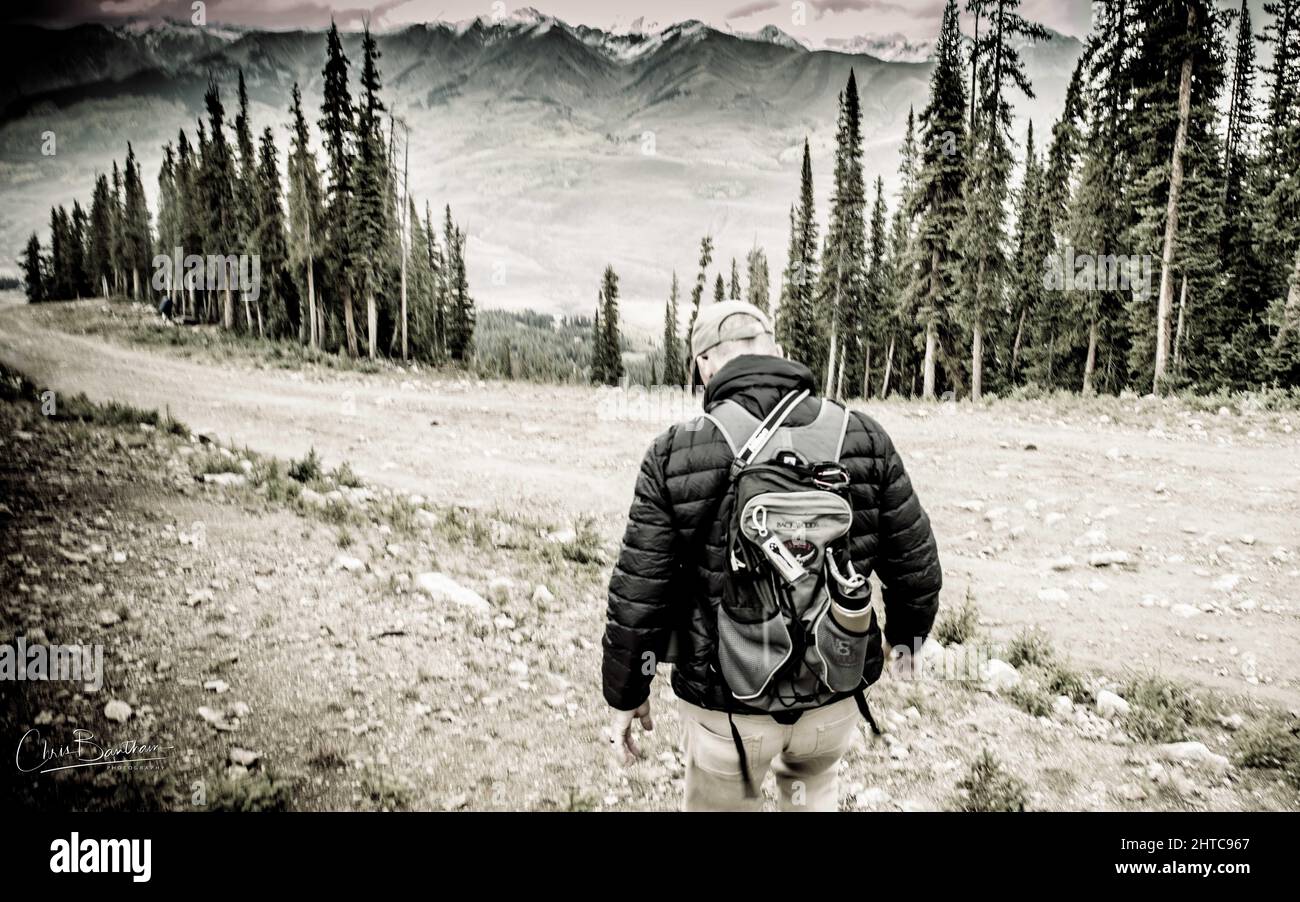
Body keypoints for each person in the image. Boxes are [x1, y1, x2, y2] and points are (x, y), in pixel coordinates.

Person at [601, 300, 942, 811]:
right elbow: (918, 568)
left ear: (705, 364)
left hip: (727, 711)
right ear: (777, 351)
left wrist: (627, 692)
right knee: (811, 796)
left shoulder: (676, 451)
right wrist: (905, 642)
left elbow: (640, 592)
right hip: (831, 697)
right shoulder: (864, 435)